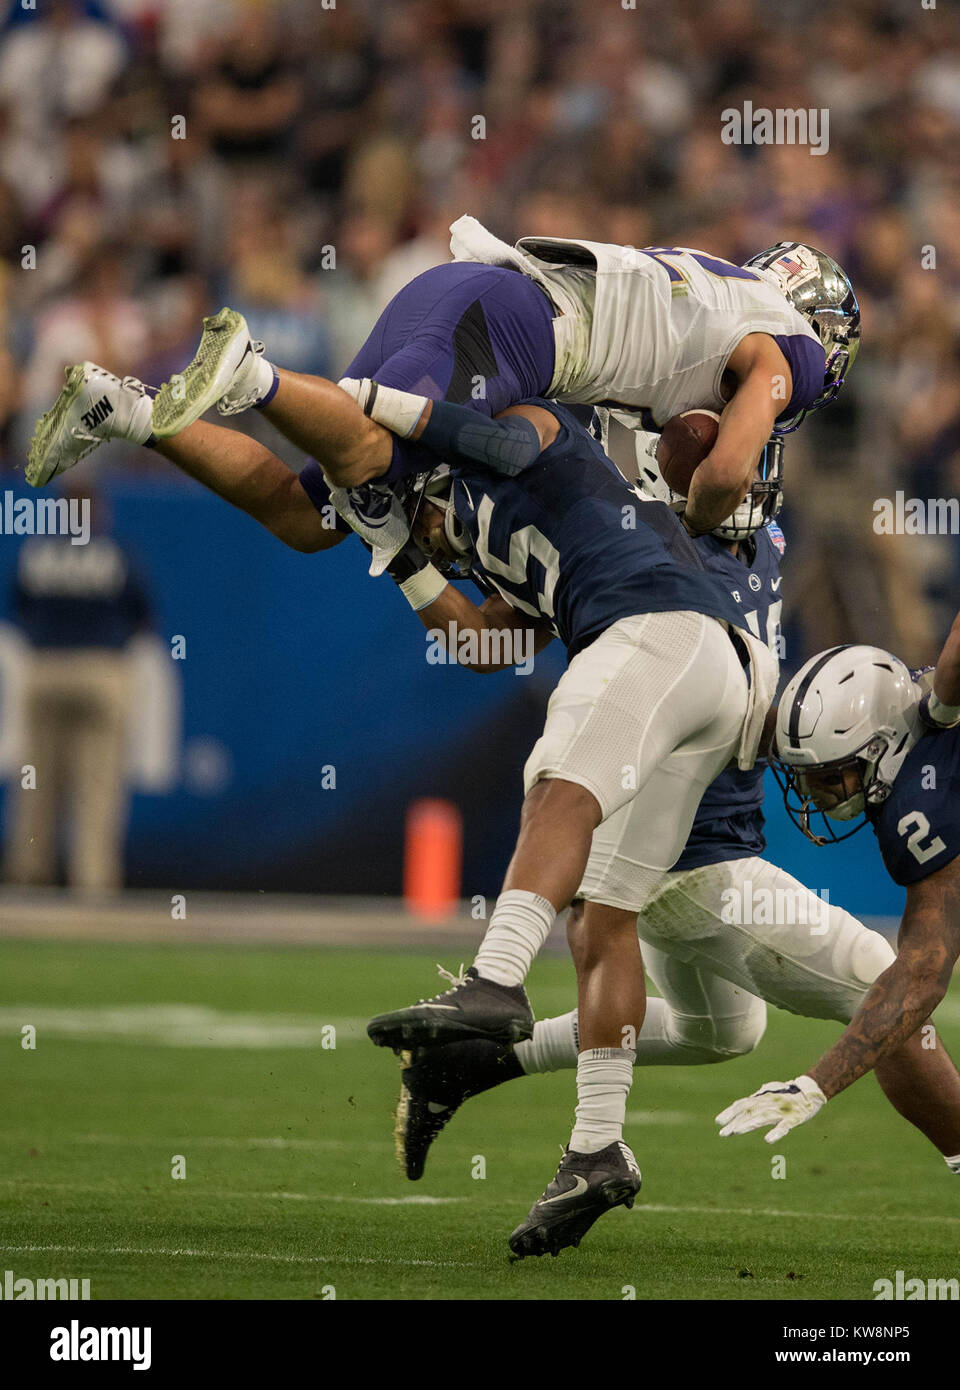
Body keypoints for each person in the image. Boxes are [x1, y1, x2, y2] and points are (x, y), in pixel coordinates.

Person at [388, 441, 960, 1247]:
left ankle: (476, 1063)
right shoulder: (640, 547)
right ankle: (585, 1138)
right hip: (687, 849)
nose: (745, 483)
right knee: (876, 978)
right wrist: (406, 557)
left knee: (724, 1031)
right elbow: (491, 640)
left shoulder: (762, 545)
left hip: (704, 837)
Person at [28, 230, 860, 546]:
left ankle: (125, 410)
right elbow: (721, 475)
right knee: (372, 452)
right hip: (509, 323)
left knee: (312, 519)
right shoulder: (792, 350)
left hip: (480, 305)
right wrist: (694, 520)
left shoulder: (720, 298)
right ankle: (252, 371)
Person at [713, 632, 960, 1172]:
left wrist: (815, 1085)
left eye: (827, 777)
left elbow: (920, 977)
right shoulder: (918, 762)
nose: (813, 796)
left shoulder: (920, 811)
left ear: (883, 746)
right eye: (804, 778)